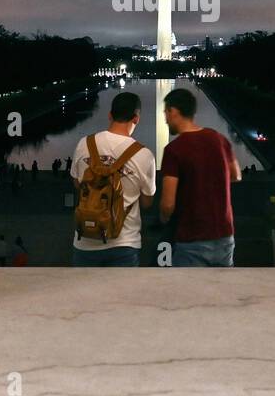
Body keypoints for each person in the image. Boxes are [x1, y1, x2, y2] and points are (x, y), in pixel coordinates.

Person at [70, 91, 155, 267]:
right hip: (124, 243)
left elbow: (78, 183)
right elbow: (147, 202)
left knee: (83, 295)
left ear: (110, 115)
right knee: (121, 295)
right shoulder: (144, 154)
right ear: (136, 118)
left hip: (85, 239)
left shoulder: (85, 143)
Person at [159, 88, 240, 267]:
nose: (165, 119)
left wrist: (164, 219)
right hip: (224, 235)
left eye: (165, 112)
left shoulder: (174, 150)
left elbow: (167, 204)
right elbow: (236, 175)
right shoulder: (219, 139)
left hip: (192, 238)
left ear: (173, 111)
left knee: (189, 294)